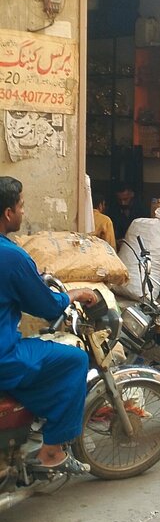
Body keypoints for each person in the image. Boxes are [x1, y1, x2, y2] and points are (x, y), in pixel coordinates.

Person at [0, 176, 98, 473]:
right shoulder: (12, 256)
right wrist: (75, 293)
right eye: (21, 206)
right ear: (8, 213)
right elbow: (46, 307)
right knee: (73, 360)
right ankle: (52, 451)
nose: (22, 213)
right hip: (4, 356)